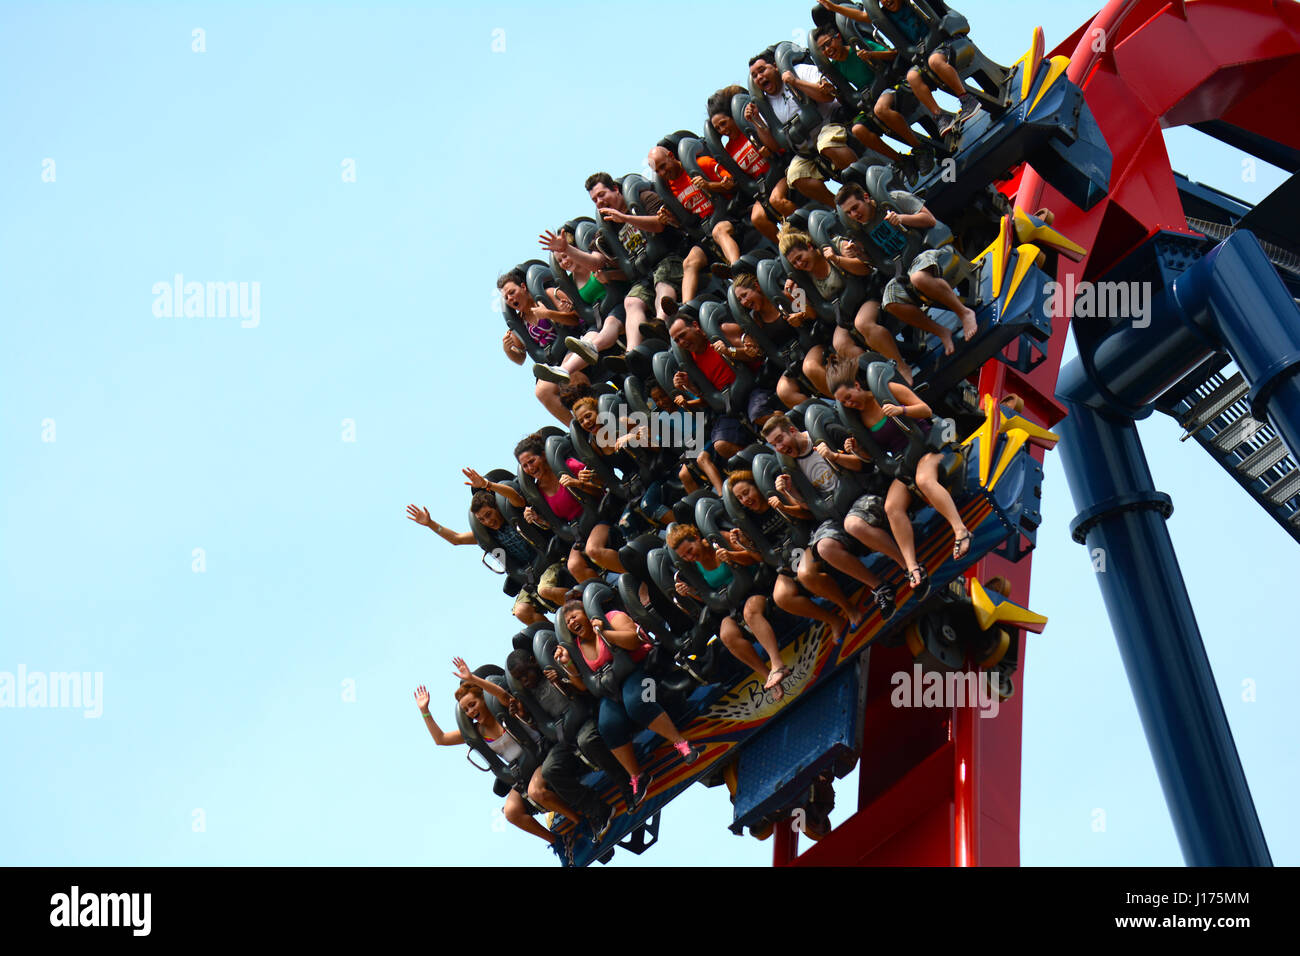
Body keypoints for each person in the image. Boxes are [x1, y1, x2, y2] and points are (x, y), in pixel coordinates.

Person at [826, 354, 972, 596]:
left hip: (926, 447)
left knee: (924, 480)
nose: (849, 404)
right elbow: (873, 457)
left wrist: (900, 409)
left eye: (849, 397)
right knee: (892, 507)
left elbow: (925, 409)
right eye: (844, 403)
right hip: (903, 463)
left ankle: (961, 530)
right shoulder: (858, 418)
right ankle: (913, 567)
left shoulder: (887, 390)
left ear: (858, 386)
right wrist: (857, 449)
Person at [414, 675, 578, 865]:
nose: (471, 711)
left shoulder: (503, 710)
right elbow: (440, 739)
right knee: (510, 812)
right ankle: (558, 842)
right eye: (466, 709)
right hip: (523, 774)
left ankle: (579, 823)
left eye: (473, 704)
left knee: (536, 791)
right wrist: (425, 711)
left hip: (541, 757)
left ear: (484, 699)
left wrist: (472, 679)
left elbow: (503, 696)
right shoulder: (477, 732)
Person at [553, 600, 701, 805]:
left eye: (574, 616)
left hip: (645, 673)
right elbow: (584, 686)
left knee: (637, 703)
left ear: (587, 613)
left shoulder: (612, 618)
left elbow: (635, 640)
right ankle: (637, 776)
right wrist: (568, 665)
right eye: (568, 621)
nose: (571, 622)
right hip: (613, 690)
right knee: (607, 726)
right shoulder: (577, 648)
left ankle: (681, 743)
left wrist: (604, 633)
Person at [760, 413, 901, 620]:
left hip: (863, 494)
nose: (779, 448)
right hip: (834, 514)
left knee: (853, 523)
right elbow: (809, 508)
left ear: (792, 430)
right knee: (824, 547)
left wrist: (835, 457)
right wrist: (790, 493)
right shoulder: (790, 466)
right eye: (774, 445)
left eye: (780, 440)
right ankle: (880, 587)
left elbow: (867, 462)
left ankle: (908, 567)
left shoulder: (824, 433)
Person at [835, 182, 978, 350]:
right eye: (848, 213)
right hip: (902, 268)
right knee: (889, 301)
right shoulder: (860, 230)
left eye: (855, 207)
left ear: (866, 197)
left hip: (926, 250)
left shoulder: (892, 200)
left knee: (919, 277)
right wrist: (860, 254)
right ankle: (941, 332)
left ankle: (964, 312)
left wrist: (901, 219)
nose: (854, 214)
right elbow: (877, 263)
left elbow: (929, 219)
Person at [817, 0, 981, 142]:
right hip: (924, 57)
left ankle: (967, 99)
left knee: (934, 60)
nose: (886, 1)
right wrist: (833, 8)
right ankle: (940, 116)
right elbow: (862, 16)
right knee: (912, 76)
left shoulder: (910, 4)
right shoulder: (884, 15)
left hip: (946, 43)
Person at [725, 469, 859, 642]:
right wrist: (744, 543)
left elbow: (808, 513)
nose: (746, 500)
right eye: (740, 498)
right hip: (787, 557)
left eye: (746, 492)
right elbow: (761, 557)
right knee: (781, 597)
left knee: (806, 574)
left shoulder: (776, 494)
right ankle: (833, 620)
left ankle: (849, 609)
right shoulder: (748, 520)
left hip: (808, 540)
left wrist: (784, 508)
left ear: (757, 487)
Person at [667, 523, 794, 701]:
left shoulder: (718, 539)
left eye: (690, 550)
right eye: (684, 556)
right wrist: (690, 592)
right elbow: (708, 598)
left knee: (750, 613)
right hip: (731, 603)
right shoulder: (693, 567)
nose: (690, 556)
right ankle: (768, 676)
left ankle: (777, 664)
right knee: (726, 634)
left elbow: (755, 556)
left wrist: (731, 556)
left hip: (755, 586)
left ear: (696, 538)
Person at [406, 492, 568, 624]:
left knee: (545, 590)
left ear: (497, 507)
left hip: (549, 561)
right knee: (520, 611)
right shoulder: (489, 536)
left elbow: (516, 498)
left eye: (489, 514)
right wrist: (431, 524)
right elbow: (457, 539)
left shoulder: (515, 515)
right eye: (482, 520)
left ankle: (576, 605)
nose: (488, 521)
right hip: (530, 575)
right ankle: (557, 635)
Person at [746, 49, 856, 208]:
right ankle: (840, 207)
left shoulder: (799, 71)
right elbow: (775, 145)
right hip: (806, 149)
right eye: (755, 76)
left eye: (762, 70)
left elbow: (828, 95)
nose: (759, 77)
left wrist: (795, 83)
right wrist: (756, 120)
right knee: (795, 174)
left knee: (826, 144)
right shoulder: (763, 104)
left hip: (830, 124)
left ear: (775, 66)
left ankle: (861, 185)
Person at [668, 313, 785, 459]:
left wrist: (730, 352)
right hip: (729, 406)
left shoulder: (721, 332)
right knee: (721, 444)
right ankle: (763, 460)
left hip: (753, 388)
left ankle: (791, 428)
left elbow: (757, 353)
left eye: (683, 335)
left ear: (695, 326)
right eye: (677, 340)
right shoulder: (690, 362)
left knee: (759, 415)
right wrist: (688, 385)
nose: (682, 342)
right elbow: (706, 398)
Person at [704, 85, 786, 242]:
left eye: (724, 123)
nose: (722, 129)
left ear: (733, 117)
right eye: (718, 128)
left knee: (777, 200)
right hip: (763, 186)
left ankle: (805, 231)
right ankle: (786, 246)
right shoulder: (728, 150)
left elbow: (778, 146)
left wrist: (769, 151)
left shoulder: (748, 128)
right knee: (757, 217)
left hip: (780, 172)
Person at [648, 144, 747, 267]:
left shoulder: (702, 164)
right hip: (706, 232)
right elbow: (688, 221)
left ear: (671, 156)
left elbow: (734, 185)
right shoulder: (670, 190)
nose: (662, 173)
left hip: (729, 217)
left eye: (663, 166)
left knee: (719, 231)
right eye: (657, 171)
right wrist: (672, 220)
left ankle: (738, 270)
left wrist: (709, 186)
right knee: (689, 263)